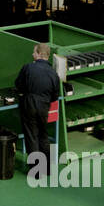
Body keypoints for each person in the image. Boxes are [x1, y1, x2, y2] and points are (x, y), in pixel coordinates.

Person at [16, 42, 61, 181]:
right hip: (44, 107)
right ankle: (47, 169)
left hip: (29, 104)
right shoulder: (54, 73)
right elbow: (55, 95)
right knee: (43, 135)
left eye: (34, 52)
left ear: (40, 54)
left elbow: (19, 85)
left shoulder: (28, 67)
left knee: (31, 136)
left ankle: (36, 171)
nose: (32, 54)